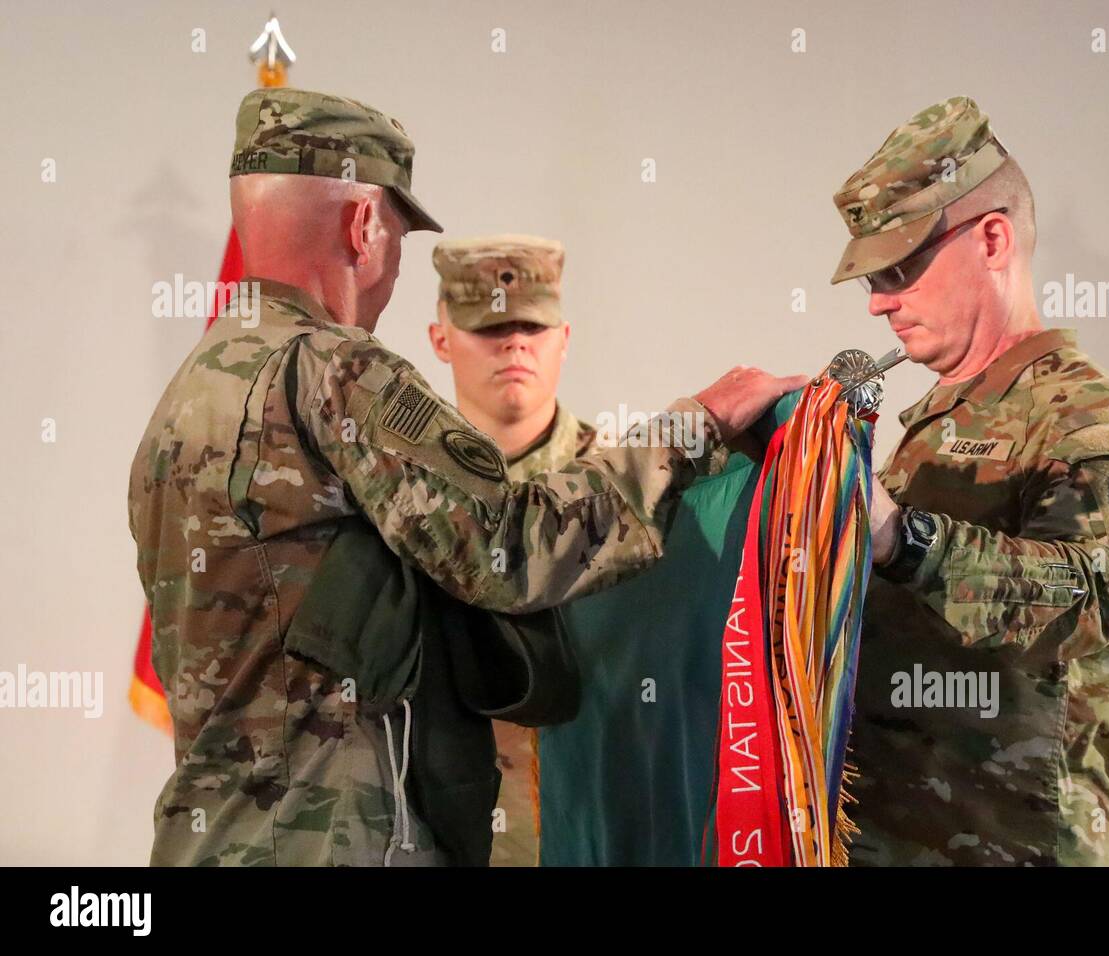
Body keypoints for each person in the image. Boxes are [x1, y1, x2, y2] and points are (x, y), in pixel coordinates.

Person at [126, 87, 802, 866]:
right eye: (400, 238)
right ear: (363, 226)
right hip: (335, 843)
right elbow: (509, 548)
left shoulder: (182, 403)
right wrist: (700, 425)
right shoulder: (334, 369)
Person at [839, 96, 1109, 865]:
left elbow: (1096, 600)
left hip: (1017, 848)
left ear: (991, 238)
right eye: (871, 278)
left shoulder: (1084, 416)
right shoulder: (939, 416)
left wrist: (902, 536)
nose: (881, 301)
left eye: (900, 266)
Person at [429, 234, 594, 866]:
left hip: (587, 829)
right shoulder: (397, 499)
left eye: (532, 324)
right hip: (440, 835)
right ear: (440, 339)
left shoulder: (630, 497)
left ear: (564, 336)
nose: (515, 343)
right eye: (490, 325)